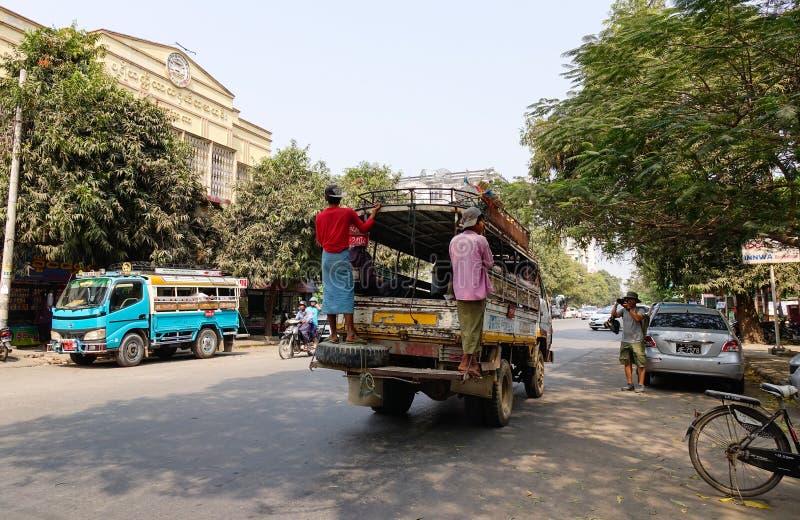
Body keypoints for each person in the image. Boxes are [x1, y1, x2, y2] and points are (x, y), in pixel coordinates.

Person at [315, 184, 381, 343]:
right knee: (346, 292)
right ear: (340, 198)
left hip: (326, 257)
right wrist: (373, 213)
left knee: (329, 292)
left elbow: (319, 240)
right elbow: (364, 228)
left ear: (326, 198)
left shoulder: (319, 217)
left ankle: (333, 334)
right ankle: (351, 334)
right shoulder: (347, 212)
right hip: (342, 256)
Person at [448, 206, 493, 377]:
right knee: (474, 328)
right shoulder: (481, 240)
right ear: (476, 223)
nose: (482, 224)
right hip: (475, 290)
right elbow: (489, 264)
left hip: (459, 290)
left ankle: (472, 363)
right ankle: (465, 361)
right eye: (481, 221)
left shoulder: (454, 241)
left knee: (467, 327)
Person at [611, 291, 648, 393]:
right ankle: (630, 384)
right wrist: (616, 304)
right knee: (627, 363)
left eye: (630, 299)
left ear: (635, 301)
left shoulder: (640, 309)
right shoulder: (623, 310)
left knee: (640, 364)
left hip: (637, 341)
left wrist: (629, 309)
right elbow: (614, 315)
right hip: (625, 340)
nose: (628, 301)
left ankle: (641, 385)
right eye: (627, 299)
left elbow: (637, 318)